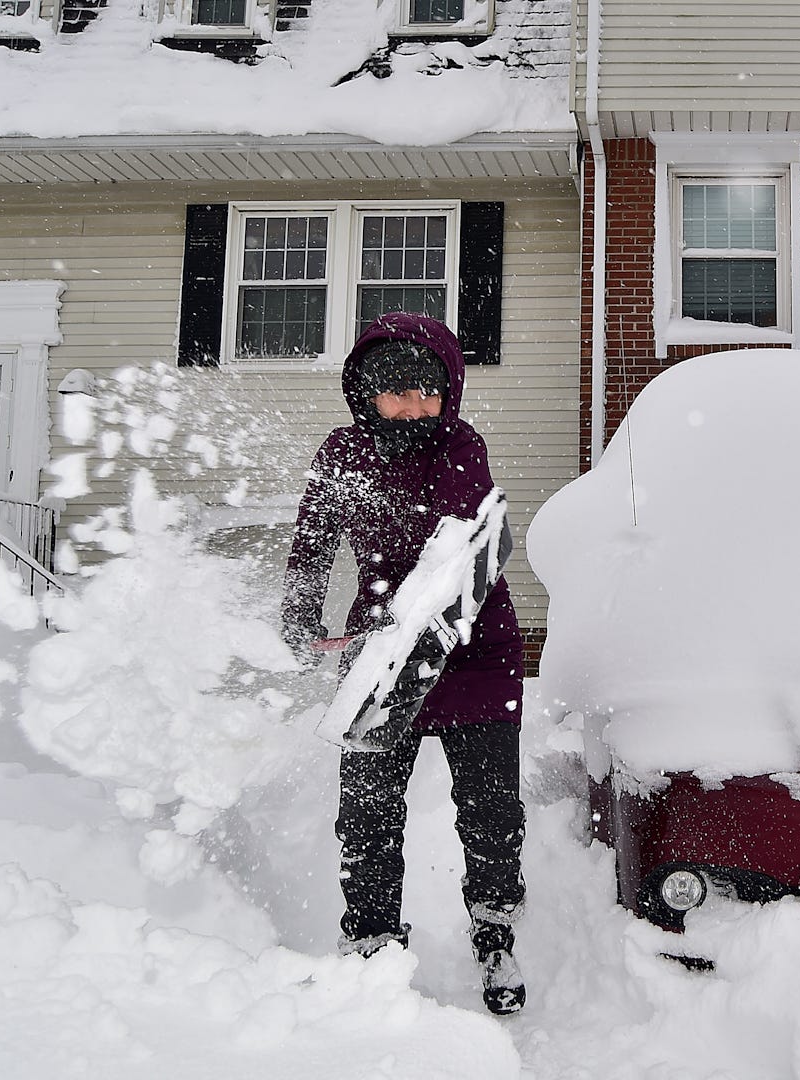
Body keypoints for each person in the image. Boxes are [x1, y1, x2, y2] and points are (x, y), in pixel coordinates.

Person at [281, 312, 528, 1016]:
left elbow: (452, 552)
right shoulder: (341, 453)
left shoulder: (459, 446)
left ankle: (495, 926)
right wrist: (301, 613)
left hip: (473, 649)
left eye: (429, 392)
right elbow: (312, 542)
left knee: (489, 809)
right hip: (381, 658)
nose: (414, 407)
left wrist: (397, 618)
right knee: (367, 813)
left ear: (448, 393)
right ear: (365, 393)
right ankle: (372, 938)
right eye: (396, 393)